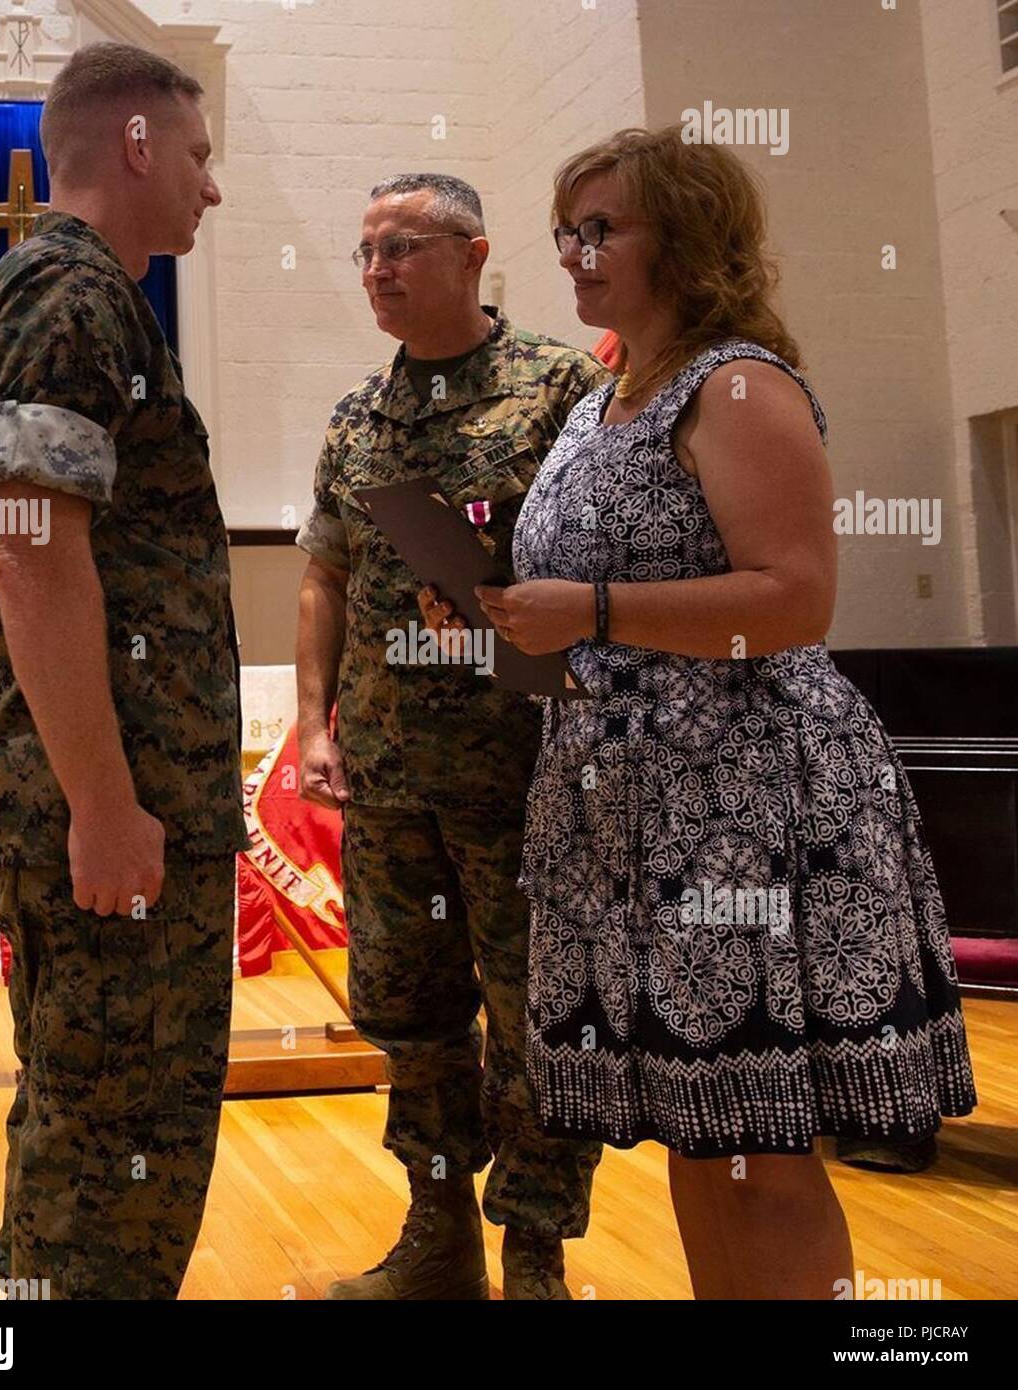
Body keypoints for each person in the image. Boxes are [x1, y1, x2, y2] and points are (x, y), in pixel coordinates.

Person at [427, 127, 977, 1299]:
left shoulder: (734, 382)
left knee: (762, 1141)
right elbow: (593, 609)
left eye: (602, 228)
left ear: (683, 236)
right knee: (701, 1129)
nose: (574, 253)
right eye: (566, 229)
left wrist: (592, 606)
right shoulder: (600, 397)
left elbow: (794, 597)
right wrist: (503, 618)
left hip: (744, 804)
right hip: (623, 804)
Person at [0, 42, 245, 1299]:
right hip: (110, 799)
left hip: (105, 785)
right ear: (134, 144)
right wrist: (107, 805)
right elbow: (30, 551)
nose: (210, 188)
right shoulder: (69, 294)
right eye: (199, 154)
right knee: (117, 1134)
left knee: (89, 1108)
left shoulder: (76, 294)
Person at [295, 172, 608, 1300]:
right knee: (411, 1016)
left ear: (474, 255)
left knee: (534, 1019)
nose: (378, 269)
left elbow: (609, 561)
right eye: (366, 250)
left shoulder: (563, 386)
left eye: (402, 247)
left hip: (525, 768)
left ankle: (535, 1256)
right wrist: (309, 723)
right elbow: (323, 573)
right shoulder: (354, 415)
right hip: (387, 771)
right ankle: (437, 1238)